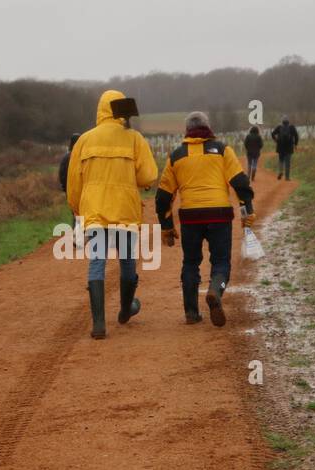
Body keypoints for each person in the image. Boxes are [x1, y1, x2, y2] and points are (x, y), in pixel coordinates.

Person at [66, 90, 158, 339]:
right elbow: (149, 176)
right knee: (127, 262)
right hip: (125, 212)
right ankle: (126, 310)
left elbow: (73, 181)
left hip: (95, 212)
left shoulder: (85, 140)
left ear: (100, 110)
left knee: (97, 261)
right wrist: (136, 181)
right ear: (121, 110)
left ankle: (98, 324)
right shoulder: (134, 138)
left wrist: (77, 208)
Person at [156, 112, 256, 326]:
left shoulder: (176, 156)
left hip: (190, 217)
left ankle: (191, 313)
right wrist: (247, 210)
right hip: (219, 215)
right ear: (208, 127)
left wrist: (166, 225)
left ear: (187, 131)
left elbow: (163, 196)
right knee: (221, 261)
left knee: (190, 262)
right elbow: (240, 183)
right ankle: (215, 292)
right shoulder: (222, 150)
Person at [271, 116, 300, 180]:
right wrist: (295, 144)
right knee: (288, 162)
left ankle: (281, 171)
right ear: (288, 122)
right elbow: (296, 136)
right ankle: (287, 177)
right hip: (289, 148)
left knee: (281, 160)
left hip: (280, 147)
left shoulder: (279, 127)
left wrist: (276, 140)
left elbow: (272, 134)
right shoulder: (292, 127)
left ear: (282, 122)